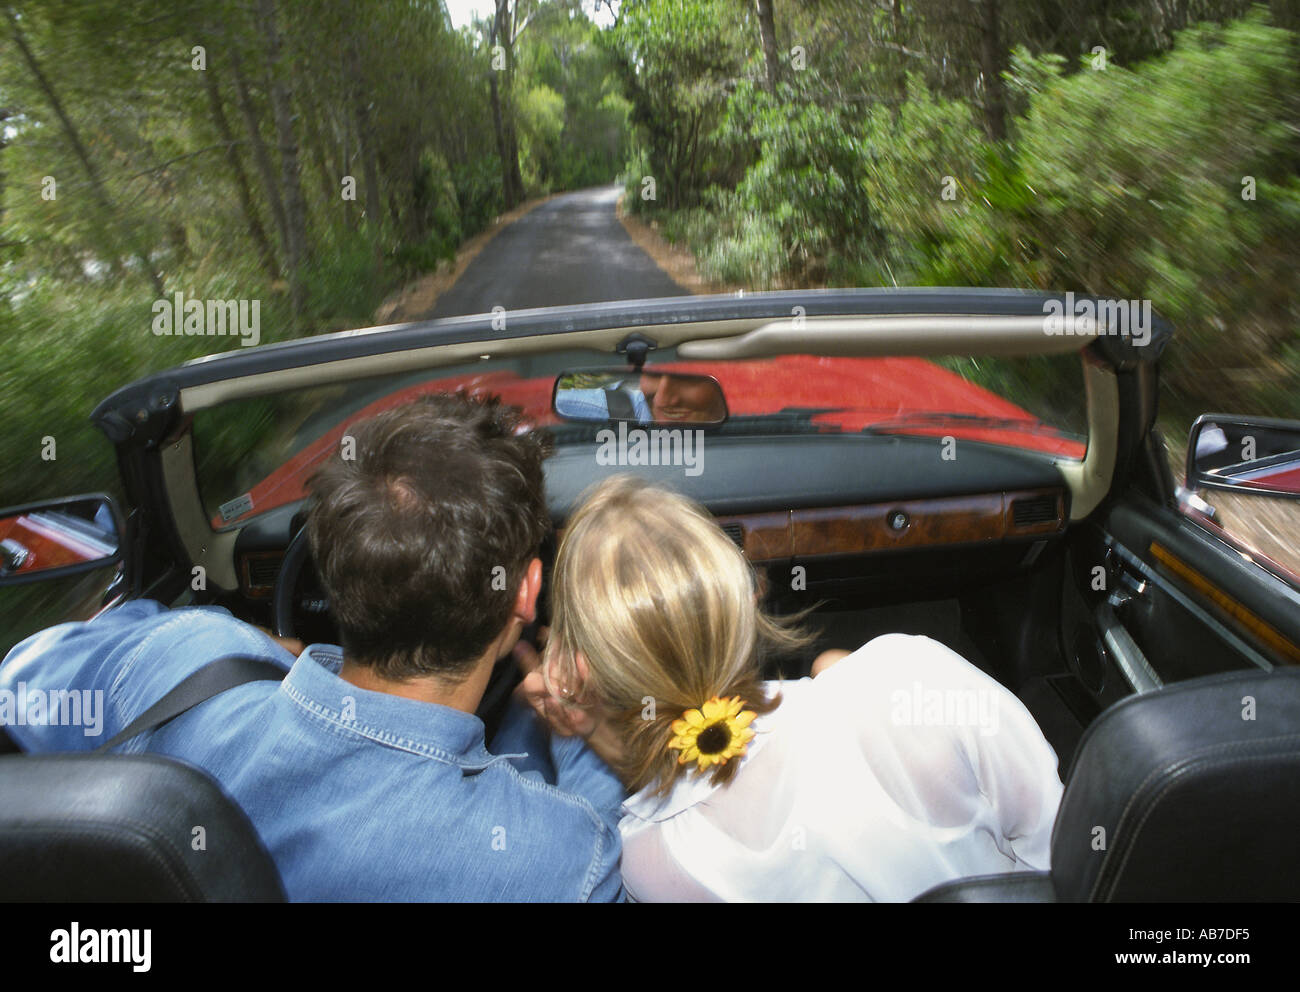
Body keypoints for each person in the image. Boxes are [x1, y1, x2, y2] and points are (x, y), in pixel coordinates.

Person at [0, 394, 626, 901]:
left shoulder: (186, 657)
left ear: (333, 568)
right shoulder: (559, 859)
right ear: (528, 591)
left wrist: (249, 650)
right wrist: (588, 733)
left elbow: (20, 682)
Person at [514, 475, 1065, 902]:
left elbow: (676, 784)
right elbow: (1062, 850)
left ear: (581, 672)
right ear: (749, 594)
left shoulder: (649, 858)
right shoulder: (910, 675)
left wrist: (591, 736)